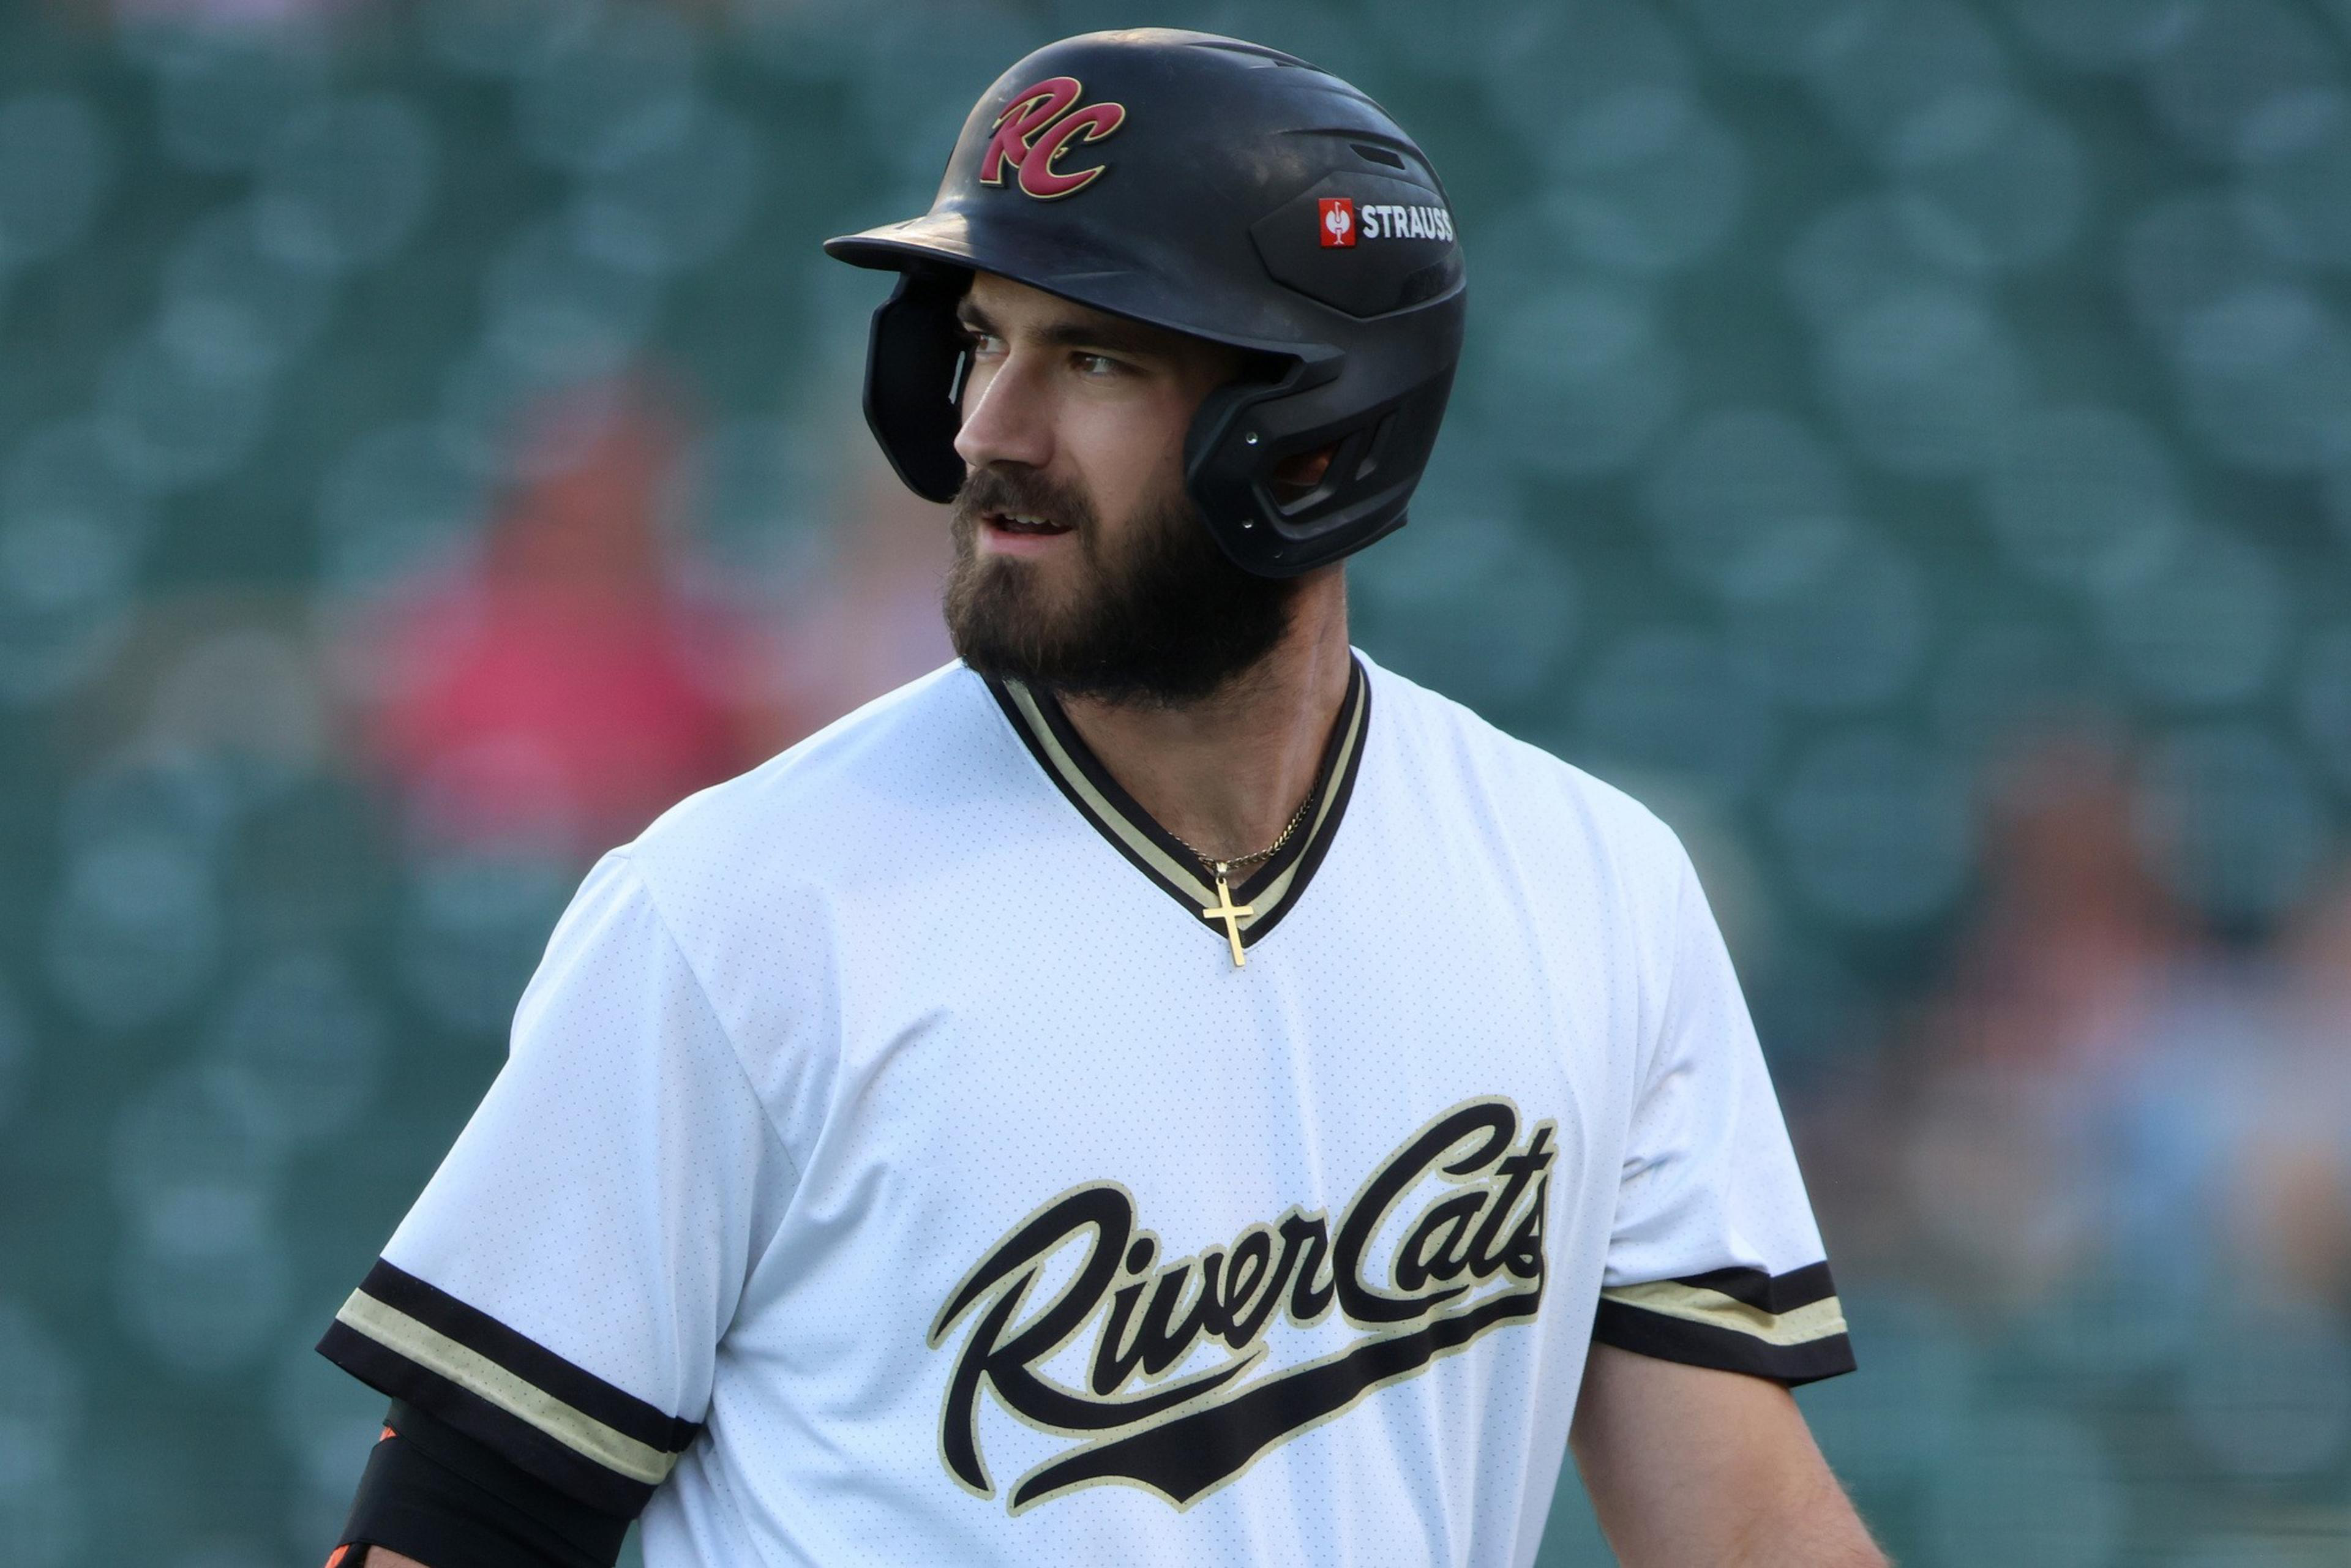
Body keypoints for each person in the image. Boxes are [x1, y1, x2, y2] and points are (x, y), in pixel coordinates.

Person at [315, 30, 1881, 1568]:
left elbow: (1740, 1523)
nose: (988, 428)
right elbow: (460, 1527)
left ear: (1317, 430)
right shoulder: (736, 909)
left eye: (1096, 358)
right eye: (984, 339)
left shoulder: (1592, 888)